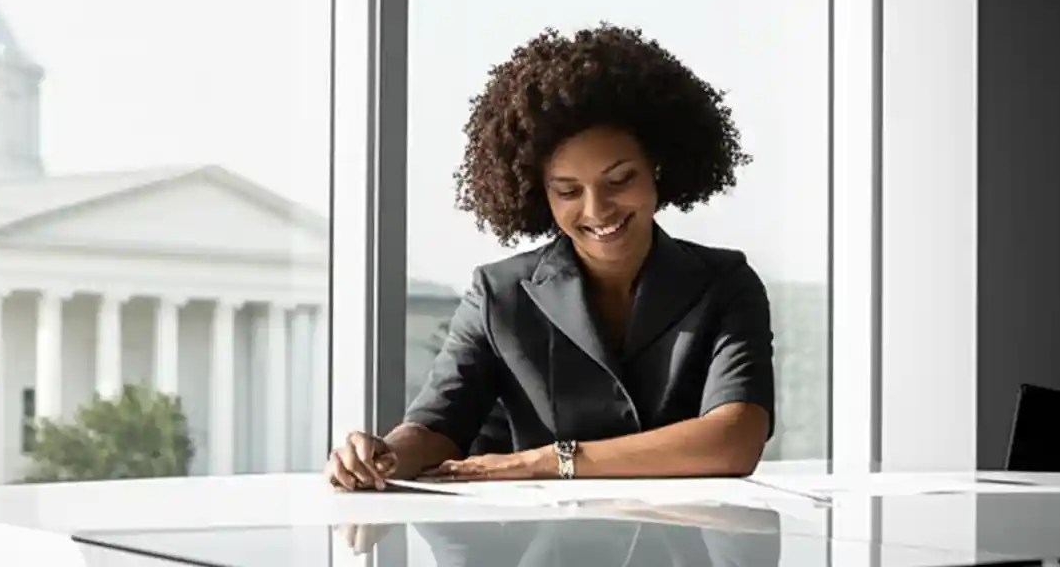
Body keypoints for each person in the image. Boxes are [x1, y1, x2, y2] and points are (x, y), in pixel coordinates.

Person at [327, 24, 774, 491]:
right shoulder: (498, 294)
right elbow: (437, 425)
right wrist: (382, 455)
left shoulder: (724, 283)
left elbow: (735, 440)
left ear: (658, 170)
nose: (597, 209)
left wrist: (547, 460)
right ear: (538, 193)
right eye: (568, 191)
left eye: (619, 180)